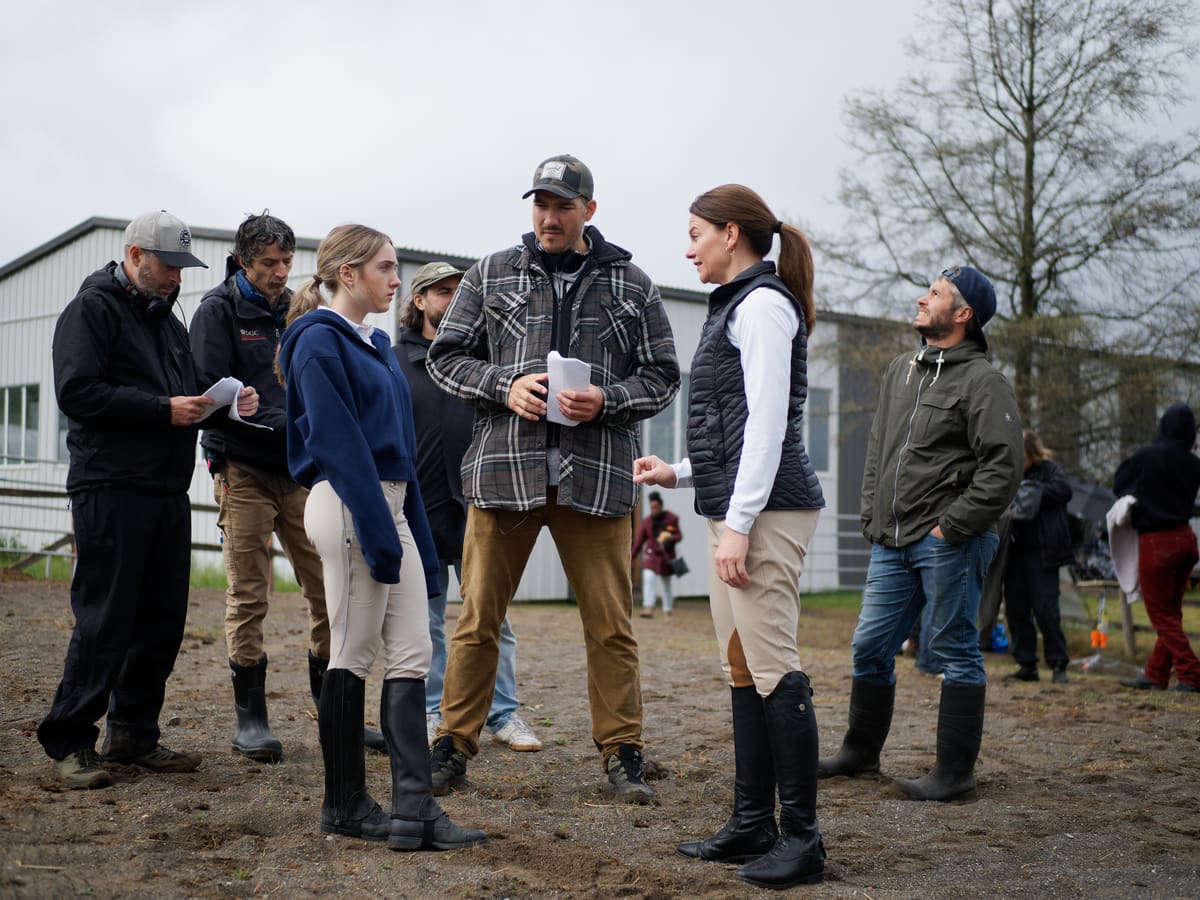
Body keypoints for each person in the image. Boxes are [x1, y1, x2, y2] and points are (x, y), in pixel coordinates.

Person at [426, 154, 680, 804]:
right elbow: (445, 356)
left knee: (611, 624)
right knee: (478, 618)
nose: (549, 216)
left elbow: (662, 374)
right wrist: (502, 385)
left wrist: (610, 400)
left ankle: (623, 754)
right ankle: (451, 747)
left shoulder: (633, 283)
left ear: (588, 211)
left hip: (594, 481)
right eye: (541, 203)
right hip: (503, 474)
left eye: (563, 205)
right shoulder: (490, 274)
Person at [634, 184, 826, 889]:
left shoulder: (765, 307)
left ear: (731, 233)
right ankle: (753, 822)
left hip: (768, 513)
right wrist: (679, 473)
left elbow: (772, 426)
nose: (688, 249)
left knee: (775, 669)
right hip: (740, 509)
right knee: (743, 668)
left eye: (694, 234)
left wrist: (738, 525)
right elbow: (735, 429)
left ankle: (803, 838)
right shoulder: (737, 309)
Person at [277, 224, 485, 850]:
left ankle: (415, 810)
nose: (398, 280)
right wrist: (377, 528)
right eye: (387, 268)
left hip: (390, 505)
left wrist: (414, 535)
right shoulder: (317, 341)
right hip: (348, 504)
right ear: (348, 273)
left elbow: (402, 455)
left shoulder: (374, 345)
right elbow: (340, 446)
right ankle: (343, 804)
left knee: (413, 651)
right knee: (353, 649)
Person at [39, 210, 258, 789]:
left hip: (165, 489)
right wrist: (162, 410)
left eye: (184, 268)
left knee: (161, 620)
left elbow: (185, 392)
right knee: (106, 617)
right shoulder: (92, 311)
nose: (177, 278)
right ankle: (67, 741)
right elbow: (78, 392)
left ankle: (134, 735)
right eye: (169, 266)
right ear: (135, 256)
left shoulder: (167, 322)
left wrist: (225, 406)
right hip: (110, 486)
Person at [818, 264, 1022, 802]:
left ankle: (954, 775)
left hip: (948, 542)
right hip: (892, 540)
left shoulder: (984, 382)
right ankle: (861, 753)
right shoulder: (900, 371)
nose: (920, 299)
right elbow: (878, 453)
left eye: (933, 294)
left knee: (955, 648)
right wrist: (872, 515)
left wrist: (950, 527)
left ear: (962, 315)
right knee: (869, 647)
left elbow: (1003, 467)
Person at [192, 213, 387, 761]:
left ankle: (336, 712)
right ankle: (250, 718)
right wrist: (231, 405)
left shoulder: (301, 308)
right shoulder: (217, 311)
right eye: (268, 264)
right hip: (243, 469)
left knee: (328, 588)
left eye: (285, 262)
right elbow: (203, 393)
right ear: (243, 261)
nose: (280, 273)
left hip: (302, 469)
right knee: (250, 593)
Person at [392, 260, 542, 751]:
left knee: (493, 617)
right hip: (421, 510)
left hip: (477, 503)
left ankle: (503, 715)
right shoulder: (396, 361)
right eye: (442, 291)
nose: (453, 298)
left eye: (460, 290)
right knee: (430, 621)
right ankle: (436, 712)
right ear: (419, 301)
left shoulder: (479, 361)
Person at [1115, 403, 1200, 693]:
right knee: (1171, 612)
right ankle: (1156, 674)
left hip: (1157, 542)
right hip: (1187, 539)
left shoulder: (1146, 456)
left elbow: (1119, 485)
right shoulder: (1193, 462)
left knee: (1161, 614)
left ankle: (1191, 673)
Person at [1002, 430, 1073, 684]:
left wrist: (1034, 491)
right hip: (1015, 552)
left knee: (1046, 608)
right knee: (1016, 609)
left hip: (1043, 552)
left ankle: (1058, 663)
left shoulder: (1050, 471)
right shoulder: (1010, 472)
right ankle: (1026, 663)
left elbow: (1065, 491)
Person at [631, 492, 682, 619]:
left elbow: (678, 536)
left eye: (656, 507)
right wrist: (631, 557)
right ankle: (648, 606)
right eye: (651, 507)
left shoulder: (671, 518)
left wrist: (670, 537)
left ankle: (667, 610)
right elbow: (639, 541)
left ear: (660, 506)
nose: (654, 509)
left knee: (666, 583)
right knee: (648, 578)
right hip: (652, 555)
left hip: (666, 556)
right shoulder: (647, 522)